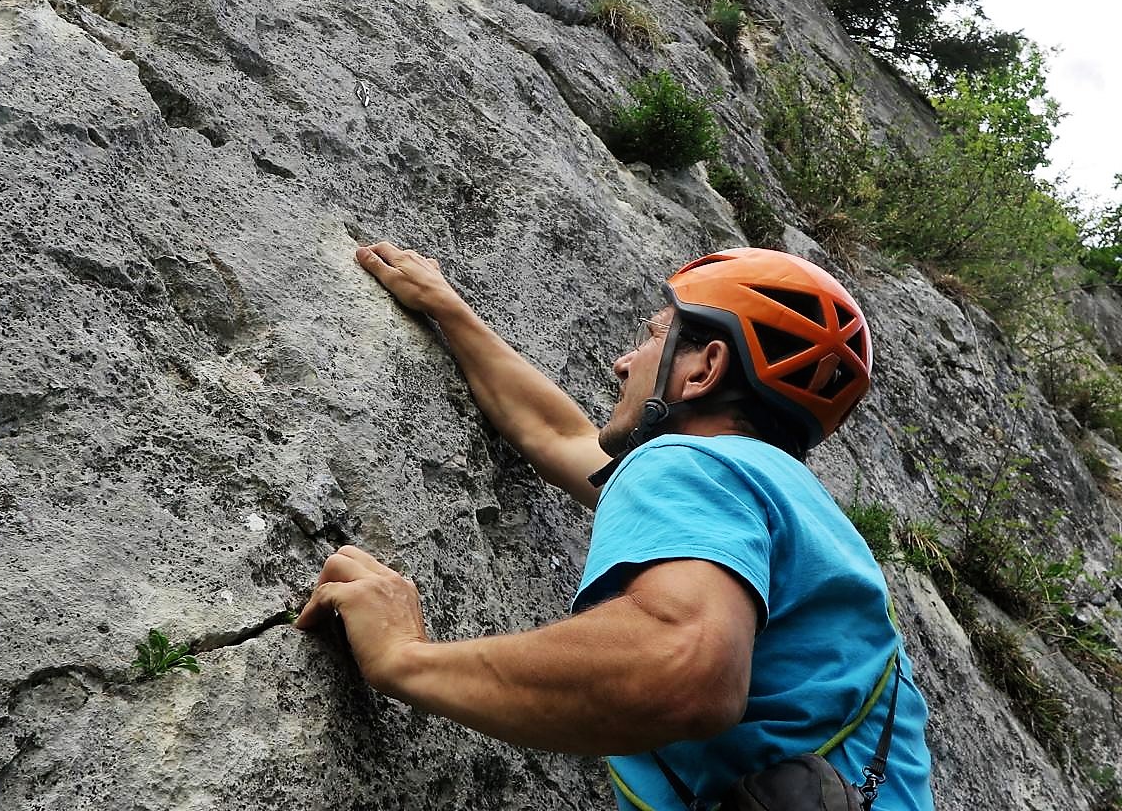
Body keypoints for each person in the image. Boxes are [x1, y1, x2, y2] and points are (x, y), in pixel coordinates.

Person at [295, 242, 935, 811]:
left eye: (652, 336)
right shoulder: (797, 512)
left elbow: (684, 665)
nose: (622, 363)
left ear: (703, 370)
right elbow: (558, 434)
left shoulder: (685, 462)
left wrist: (409, 659)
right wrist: (449, 311)